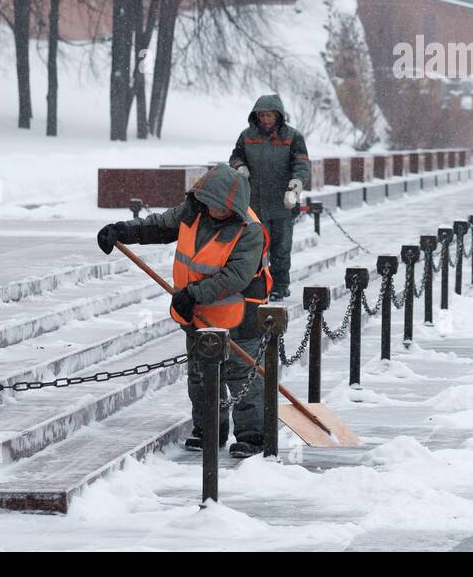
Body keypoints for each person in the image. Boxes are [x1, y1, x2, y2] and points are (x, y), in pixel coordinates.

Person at [96, 163, 271, 458]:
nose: (214, 211)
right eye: (211, 204)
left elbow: (236, 276)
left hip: (239, 314)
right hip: (197, 313)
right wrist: (122, 231)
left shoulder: (248, 230)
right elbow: (159, 226)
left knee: (243, 376)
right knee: (201, 376)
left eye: (221, 207)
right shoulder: (192, 212)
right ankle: (208, 429)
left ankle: (252, 435)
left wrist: (193, 293)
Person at [229, 94, 311, 300]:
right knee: (254, 247)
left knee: (281, 247)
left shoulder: (292, 137)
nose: (266, 119)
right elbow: (235, 156)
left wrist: (295, 186)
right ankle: (255, 285)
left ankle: (280, 286)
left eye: (270, 115)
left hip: (282, 202)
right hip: (254, 203)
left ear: (278, 116)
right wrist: (240, 167)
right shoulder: (247, 136)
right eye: (263, 115)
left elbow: (301, 164)